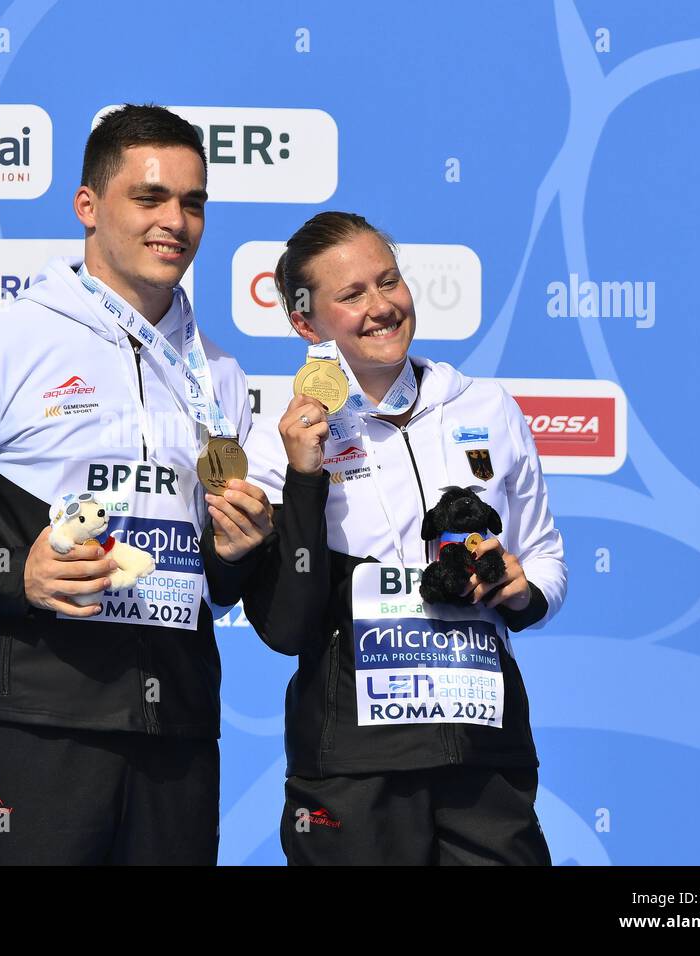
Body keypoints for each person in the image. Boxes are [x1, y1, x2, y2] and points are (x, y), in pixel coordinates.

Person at [0, 104, 273, 865]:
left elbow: (221, 579)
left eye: (193, 201)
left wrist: (239, 551)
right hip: (37, 729)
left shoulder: (220, 375)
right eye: (150, 198)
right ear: (88, 206)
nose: (175, 220)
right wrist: (15, 574)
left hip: (176, 735)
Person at [229, 211, 567, 865]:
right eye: (352, 295)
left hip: (483, 750)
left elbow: (547, 558)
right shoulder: (282, 442)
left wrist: (524, 590)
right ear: (306, 322)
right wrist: (305, 475)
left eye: (389, 281)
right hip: (353, 766)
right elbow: (284, 627)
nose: (382, 307)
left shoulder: (487, 408)